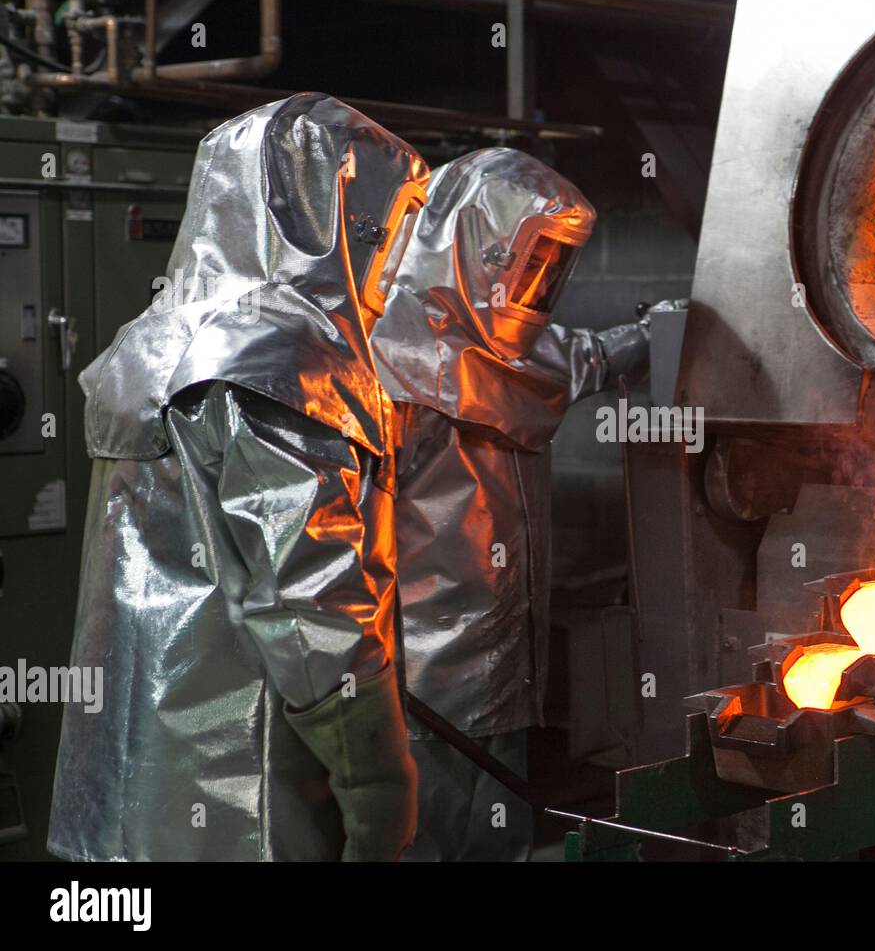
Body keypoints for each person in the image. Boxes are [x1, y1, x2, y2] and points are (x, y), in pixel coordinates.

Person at [48, 93, 429, 861]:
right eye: (389, 227)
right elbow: (307, 606)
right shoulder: (280, 362)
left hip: (130, 793)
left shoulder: (150, 343)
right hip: (246, 804)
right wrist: (380, 786)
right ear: (341, 216)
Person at [370, 148, 650, 860]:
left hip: (495, 656)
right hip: (422, 675)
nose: (536, 285)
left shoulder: (497, 348)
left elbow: (563, 360)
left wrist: (647, 338)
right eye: (528, 263)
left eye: (552, 267)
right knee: (424, 836)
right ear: (477, 246)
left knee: (495, 832)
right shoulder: (392, 353)